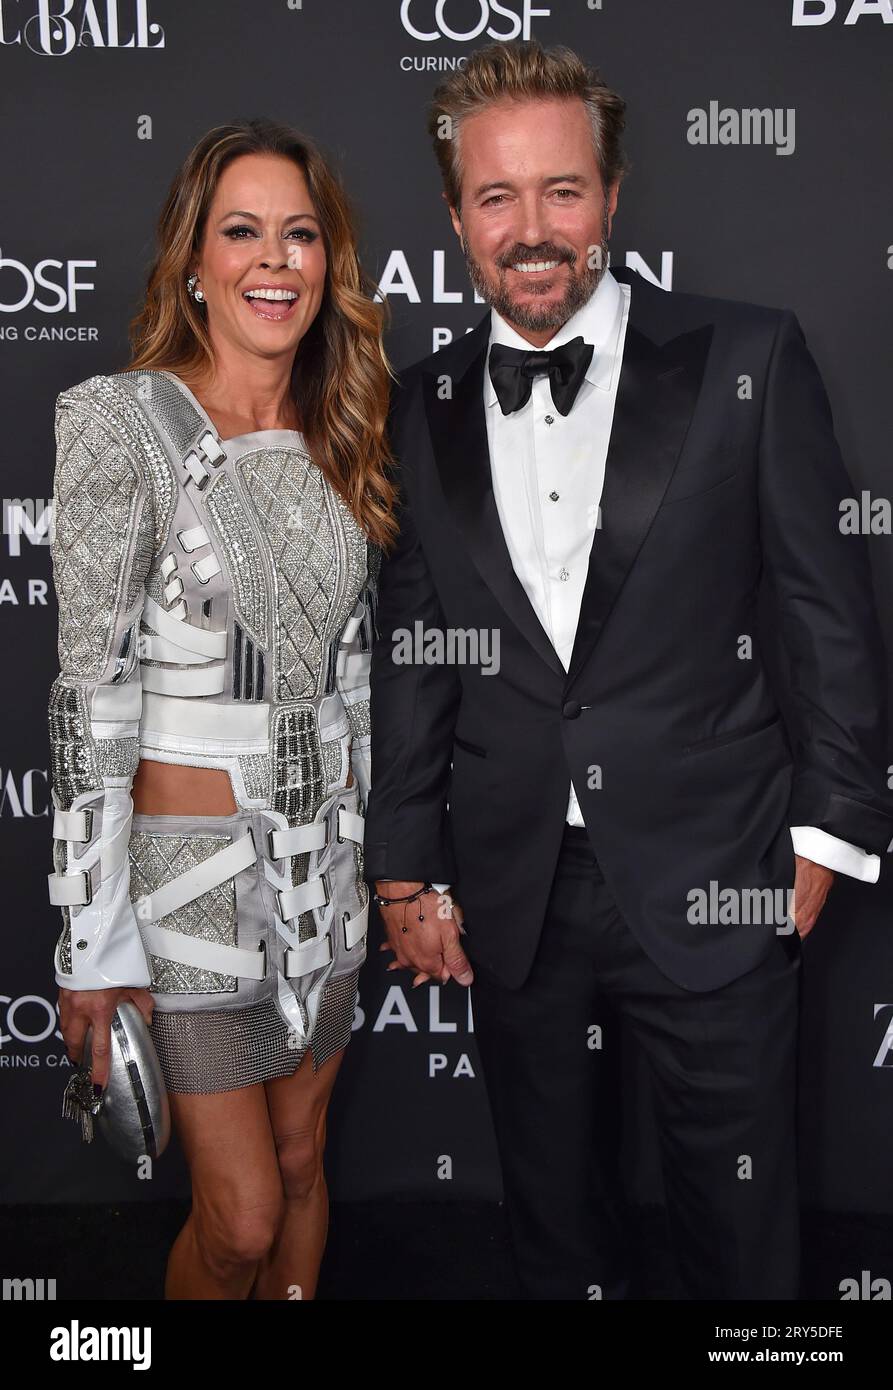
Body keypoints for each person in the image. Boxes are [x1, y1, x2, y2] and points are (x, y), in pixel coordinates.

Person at [364, 41, 893, 1299]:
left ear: (609, 197)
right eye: (496, 198)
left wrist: (827, 832)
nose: (531, 228)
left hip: (720, 870)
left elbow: (826, 611)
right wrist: (402, 860)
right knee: (553, 1227)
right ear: (454, 218)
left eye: (561, 191)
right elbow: (417, 645)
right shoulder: (417, 401)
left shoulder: (744, 358)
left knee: (739, 1231)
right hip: (513, 888)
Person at [47, 117, 397, 1299]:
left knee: (302, 1164)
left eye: (300, 234)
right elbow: (89, 699)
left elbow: (354, 684)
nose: (274, 260)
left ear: (327, 260)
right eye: (241, 232)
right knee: (240, 1219)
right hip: (186, 890)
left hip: (325, 875)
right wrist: (92, 944)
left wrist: (384, 858)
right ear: (193, 263)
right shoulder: (121, 424)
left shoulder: (350, 428)